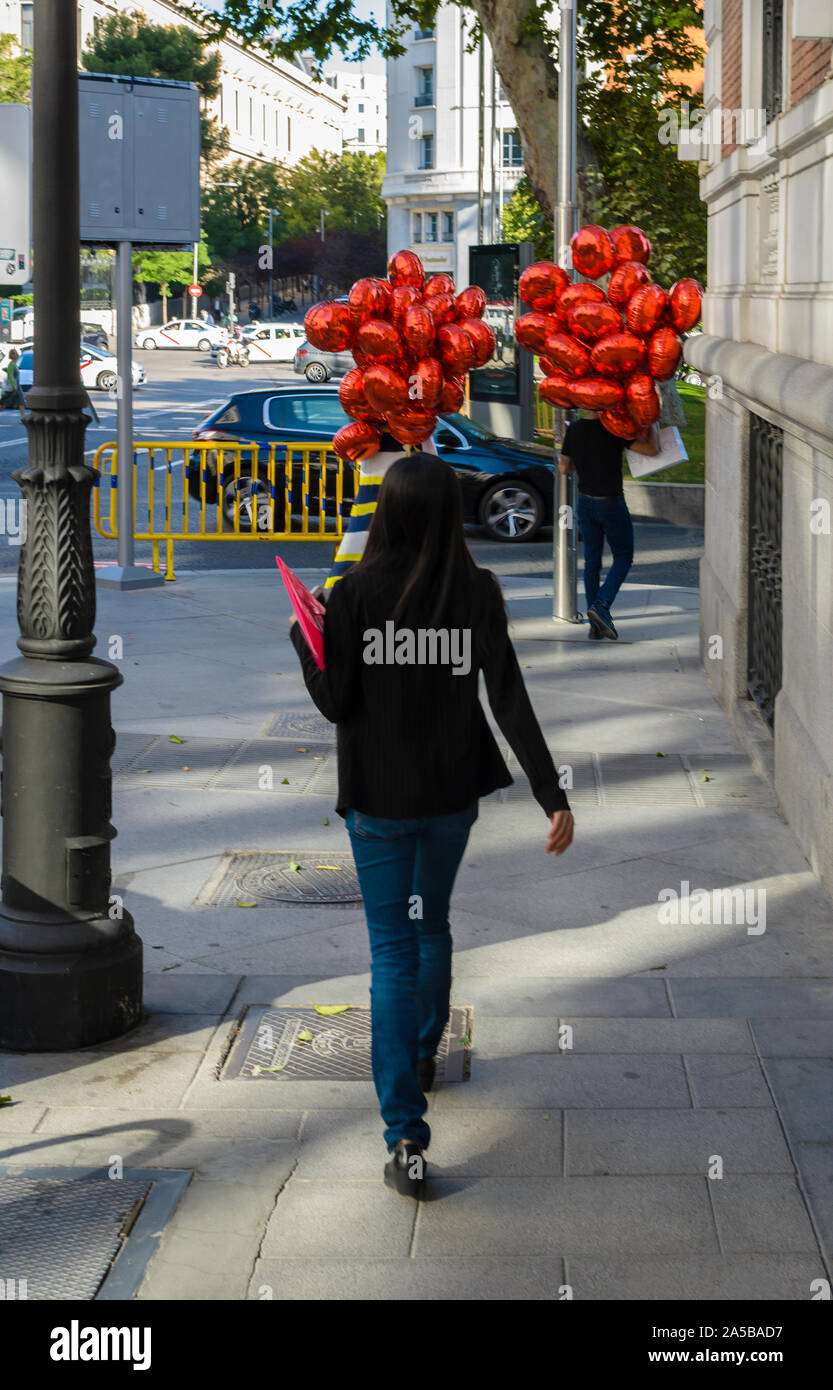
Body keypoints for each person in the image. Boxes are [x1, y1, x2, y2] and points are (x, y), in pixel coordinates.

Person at [289, 451, 574, 1198]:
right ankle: (422, 1051)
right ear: (452, 513)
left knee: (391, 953)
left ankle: (404, 1138)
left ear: (385, 513)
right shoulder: (475, 590)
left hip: (378, 800)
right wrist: (552, 794)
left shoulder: (350, 595)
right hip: (450, 795)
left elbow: (335, 702)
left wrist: (304, 638)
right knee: (432, 926)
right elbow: (508, 697)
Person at [559, 410, 660, 640]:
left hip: (584, 502)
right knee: (624, 556)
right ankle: (602, 605)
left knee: (592, 562)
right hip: (611, 503)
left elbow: (564, 468)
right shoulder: (616, 428)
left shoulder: (574, 429)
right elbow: (651, 450)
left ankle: (595, 627)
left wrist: (582, 461)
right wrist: (650, 423)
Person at [0, 348, 25, 420]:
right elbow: (10, 376)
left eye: (16, 353)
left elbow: (11, 373)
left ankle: (23, 418)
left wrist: (6, 370)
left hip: (17, 387)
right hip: (13, 387)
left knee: (21, 402)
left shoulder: (14, 364)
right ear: (11, 355)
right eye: (14, 353)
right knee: (4, 405)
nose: (16, 355)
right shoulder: (11, 364)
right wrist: (14, 386)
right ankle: (23, 417)